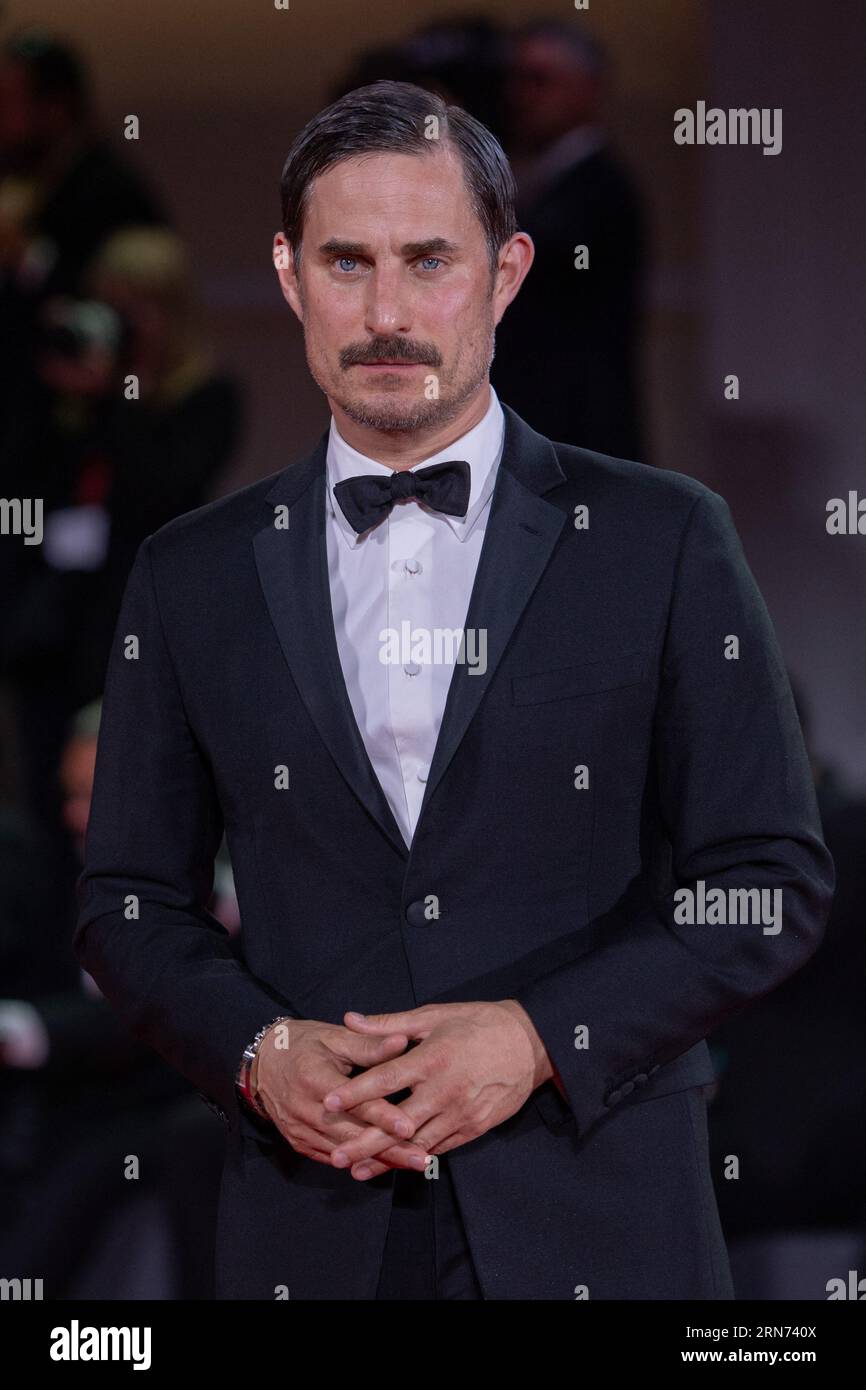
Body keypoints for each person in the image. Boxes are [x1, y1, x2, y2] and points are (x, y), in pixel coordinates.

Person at [75, 80, 833, 1301]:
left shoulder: (660, 537)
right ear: (285, 273)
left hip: (598, 1208)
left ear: (508, 270)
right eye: (346, 262)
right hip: (309, 1225)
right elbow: (125, 901)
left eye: (429, 261)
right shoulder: (188, 575)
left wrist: (538, 1038)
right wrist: (262, 1053)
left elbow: (766, 880)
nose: (385, 313)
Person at [492, 21, 647, 460]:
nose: (521, 97)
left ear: (589, 88)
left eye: (539, 80)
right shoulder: (544, 185)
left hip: (576, 439)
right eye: (516, 81)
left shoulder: (601, 190)